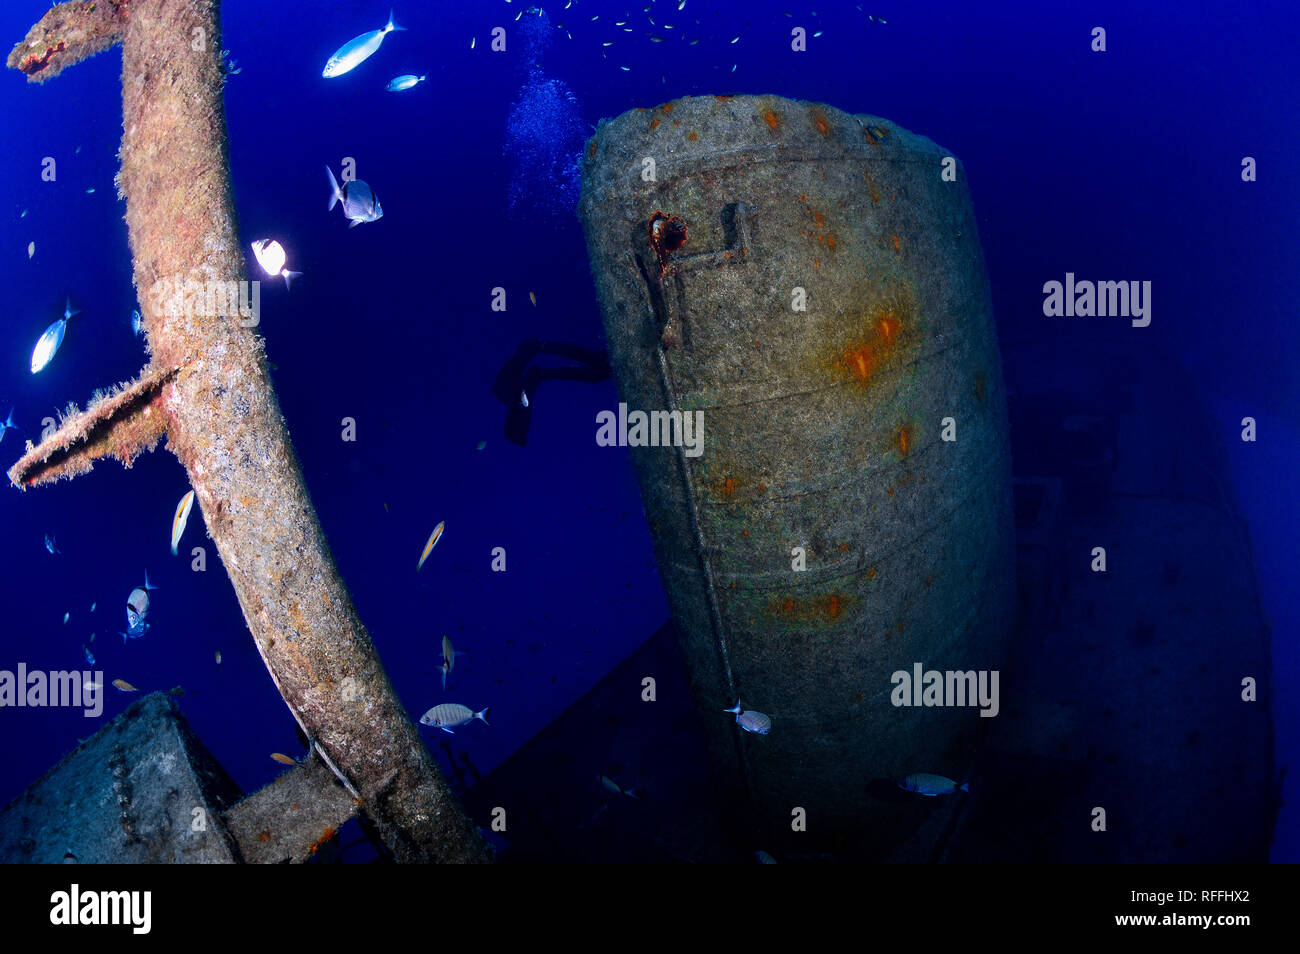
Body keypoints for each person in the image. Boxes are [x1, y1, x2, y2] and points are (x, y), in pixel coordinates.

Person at [491, 339, 611, 446]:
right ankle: (540, 357)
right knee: (595, 371)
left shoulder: (509, 391)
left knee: (595, 371)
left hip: (516, 386)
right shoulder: (510, 393)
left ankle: (540, 356)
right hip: (516, 387)